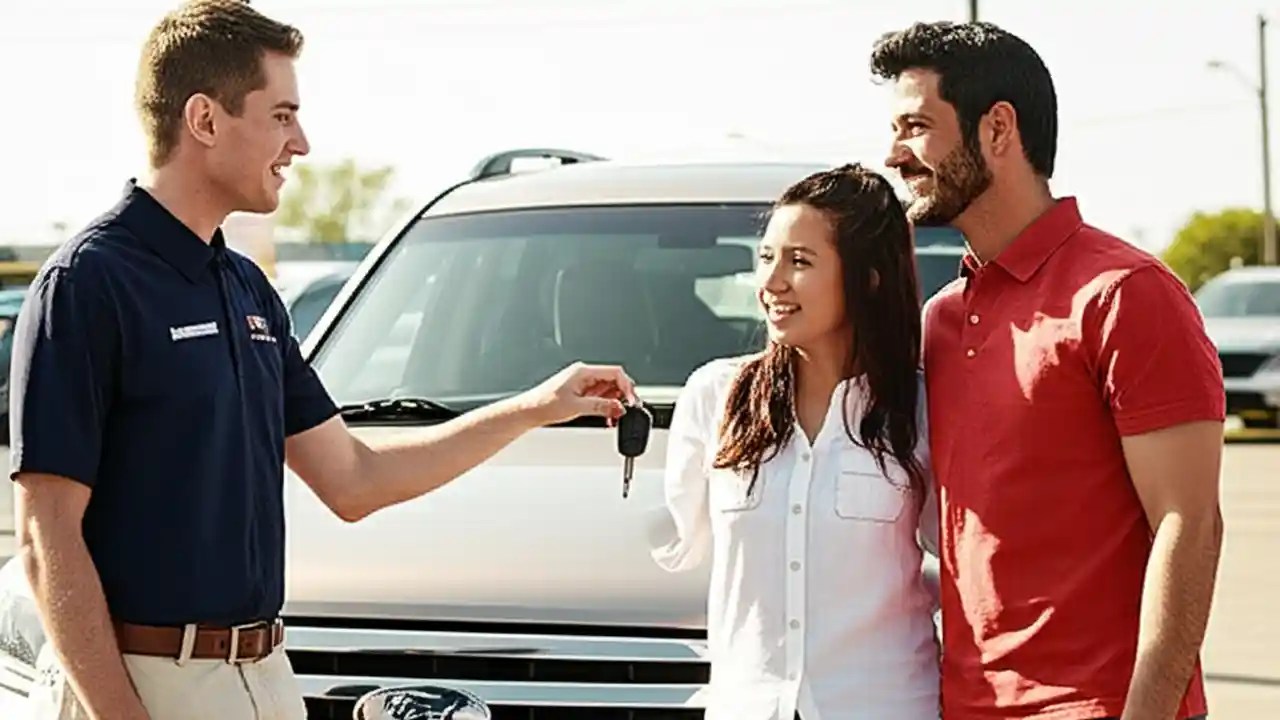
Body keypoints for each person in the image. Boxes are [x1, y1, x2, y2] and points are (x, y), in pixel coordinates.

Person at [7, 2, 636, 719]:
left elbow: (355, 480)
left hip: (265, 677)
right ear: (205, 120)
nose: (300, 143)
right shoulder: (88, 283)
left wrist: (534, 409)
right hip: (141, 684)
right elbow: (43, 537)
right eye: (281, 115)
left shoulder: (246, 287)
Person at [871, 20, 1223, 720]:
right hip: (964, 705)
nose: (894, 154)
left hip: (1100, 705)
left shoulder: (1126, 294)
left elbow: (1190, 523)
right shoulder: (940, 319)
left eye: (916, 125)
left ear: (998, 129)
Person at [650, 164, 942, 720]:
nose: (772, 282)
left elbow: (959, 565)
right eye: (766, 258)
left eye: (800, 261)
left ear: (868, 278)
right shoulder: (715, 396)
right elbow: (683, 549)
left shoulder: (922, 410)